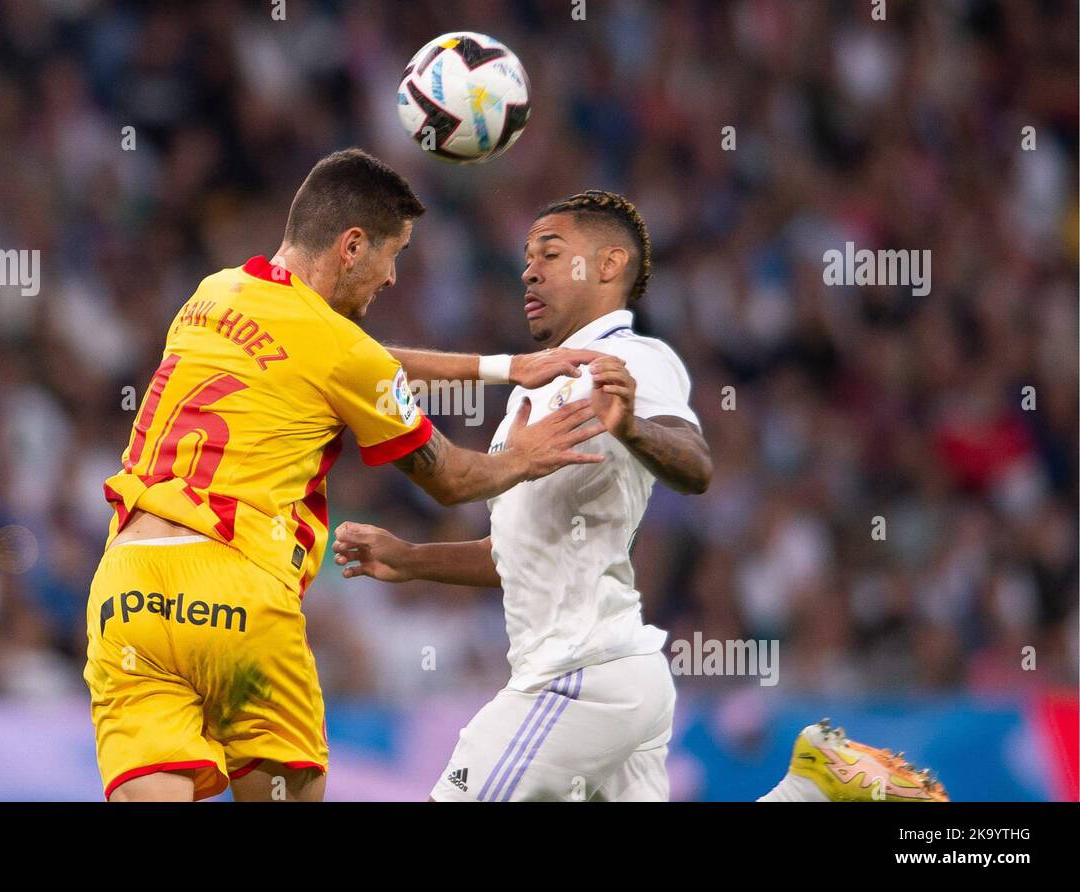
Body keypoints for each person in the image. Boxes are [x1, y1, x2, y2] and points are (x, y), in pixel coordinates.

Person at [333, 190, 948, 803]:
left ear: (608, 266)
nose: (528, 269)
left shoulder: (629, 358)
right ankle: (809, 793)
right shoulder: (538, 388)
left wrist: (632, 428)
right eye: (526, 255)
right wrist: (410, 558)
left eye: (550, 252)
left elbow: (696, 464)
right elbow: (517, 552)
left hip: (579, 677)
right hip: (616, 679)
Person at [83, 148, 612, 802]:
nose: (392, 278)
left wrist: (498, 367)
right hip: (236, 590)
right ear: (352, 246)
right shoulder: (342, 352)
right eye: (394, 255)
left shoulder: (213, 294)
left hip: (127, 589)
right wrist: (523, 458)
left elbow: (345, 358)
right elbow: (447, 478)